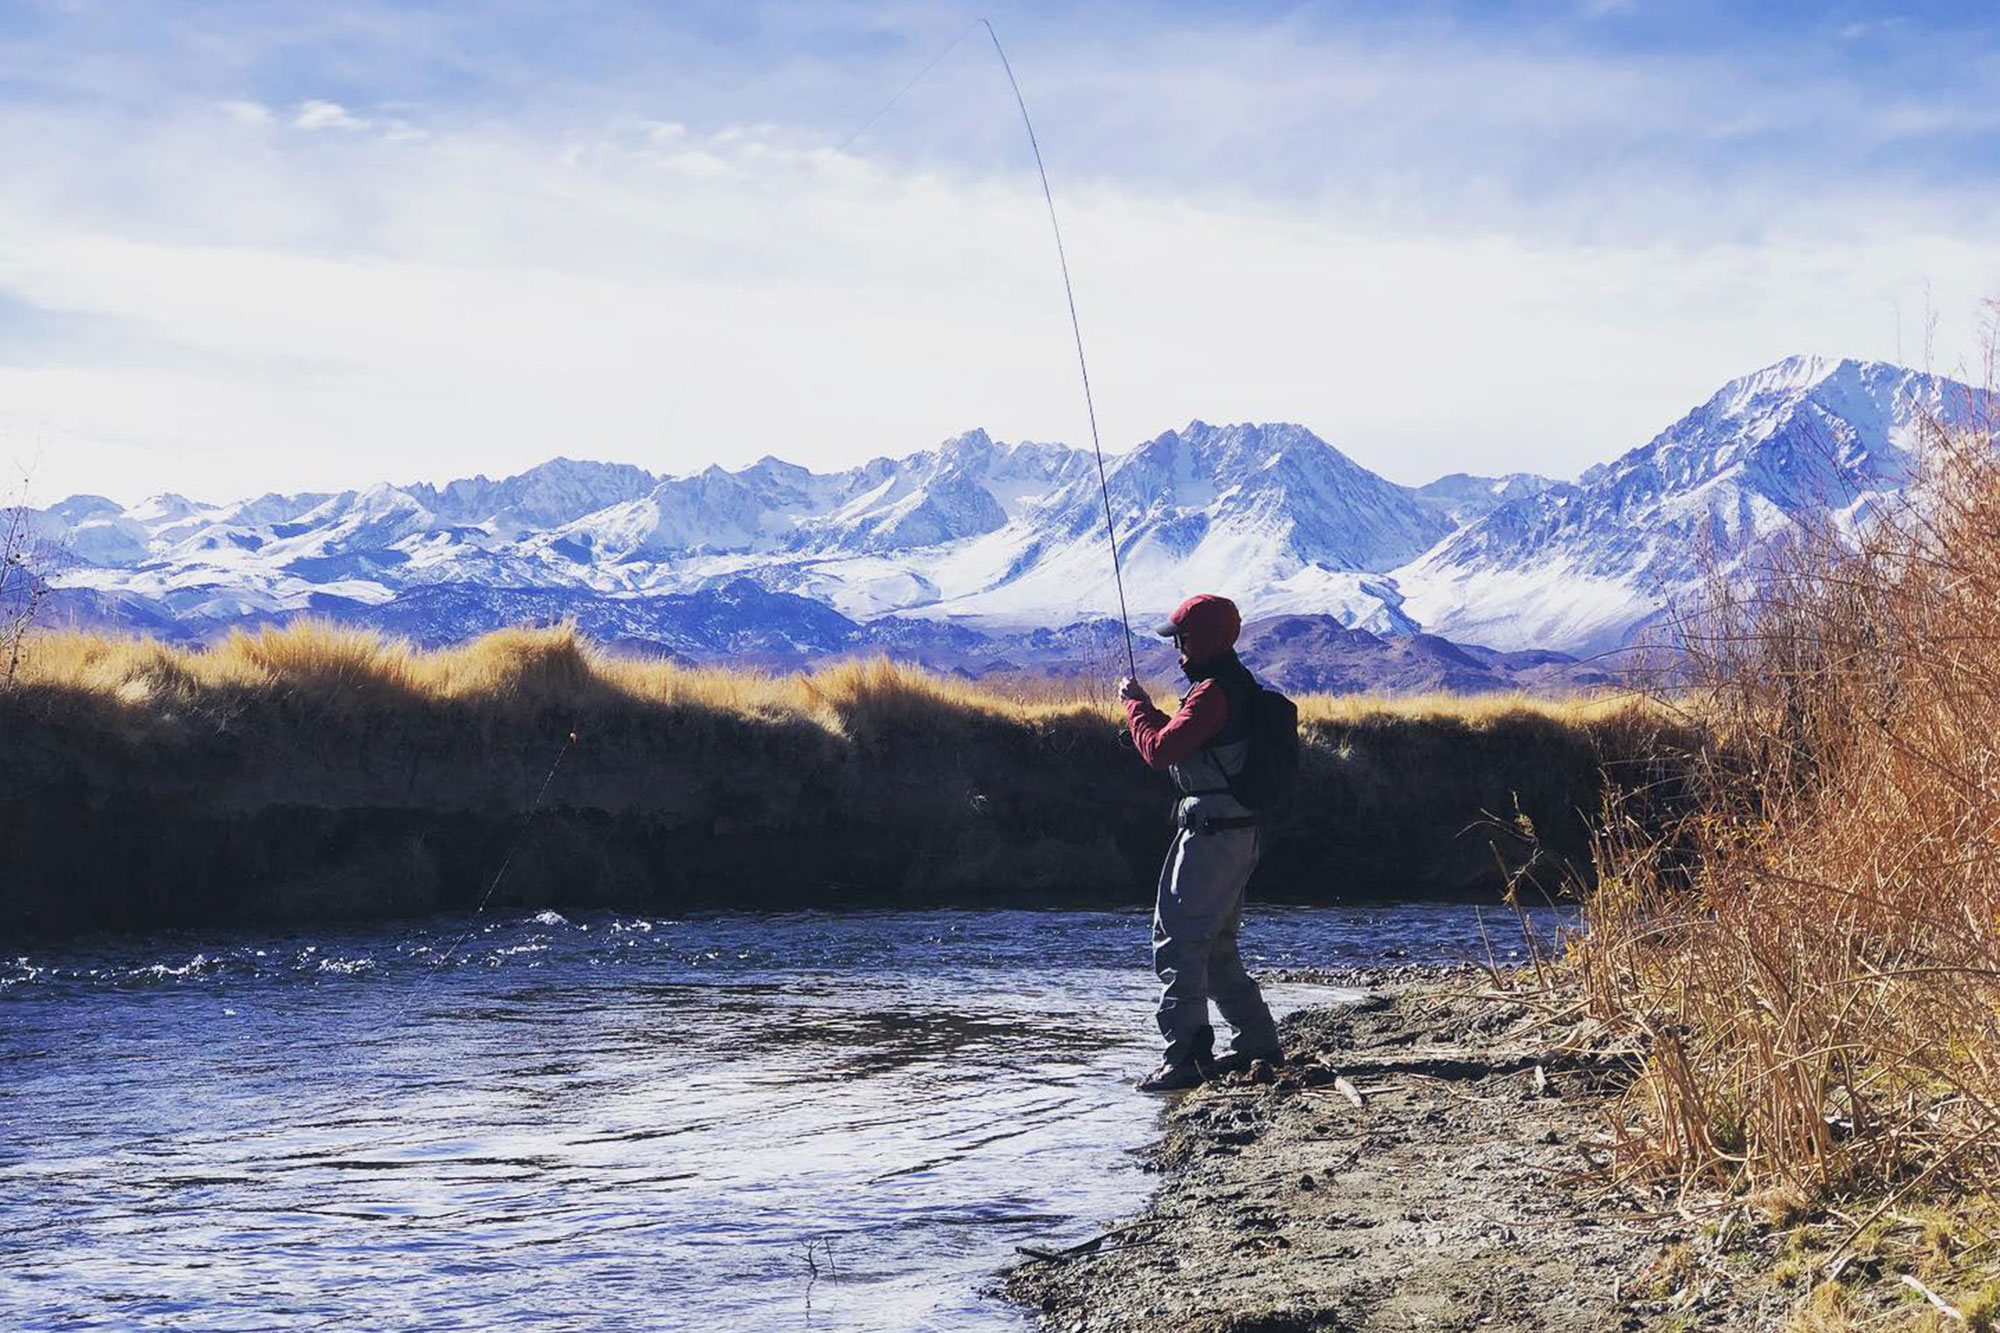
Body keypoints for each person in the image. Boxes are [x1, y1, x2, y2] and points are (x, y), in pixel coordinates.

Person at [1118, 593, 1282, 1093]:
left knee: (1180, 942)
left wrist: (1136, 705)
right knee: (1217, 949)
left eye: (1183, 640)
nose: (1178, 650)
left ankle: (1186, 1055)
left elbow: (1159, 750)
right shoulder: (1233, 688)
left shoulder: (1214, 694)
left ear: (1204, 639)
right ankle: (1257, 1043)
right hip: (1233, 833)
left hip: (1212, 836)